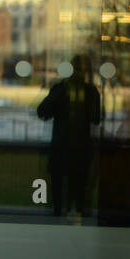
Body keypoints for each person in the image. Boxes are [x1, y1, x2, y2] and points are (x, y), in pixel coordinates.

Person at [37, 54, 102, 218]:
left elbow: (95, 117)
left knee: (74, 192)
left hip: (71, 148)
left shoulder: (87, 92)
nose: (79, 73)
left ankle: (68, 213)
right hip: (70, 148)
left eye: (81, 70)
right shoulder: (72, 90)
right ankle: (67, 212)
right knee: (67, 192)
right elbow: (42, 112)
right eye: (78, 69)